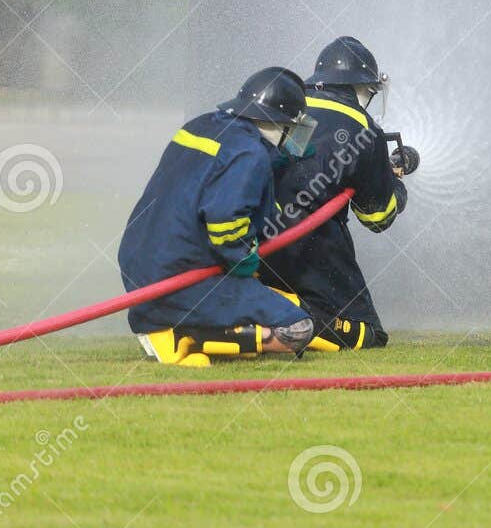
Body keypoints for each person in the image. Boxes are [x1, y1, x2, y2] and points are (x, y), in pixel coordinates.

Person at [117, 67, 318, 367]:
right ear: (281, 123)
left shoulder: (200, 127)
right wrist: (246, 264)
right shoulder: (250, 155)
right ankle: (188, 335)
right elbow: (226, 227)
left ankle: (169, 321)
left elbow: (215, 175)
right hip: (182, 280)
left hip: (140, 269)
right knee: (298, 328)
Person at [263, 37, 410, 350]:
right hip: (313, 243)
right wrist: (396, 186)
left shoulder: (295, 106)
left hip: (259, 235)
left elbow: (298, 164)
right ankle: (292, 314)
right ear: (364, 88)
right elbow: (376, 217)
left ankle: (259, 301)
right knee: (368, 336)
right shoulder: (365, 128)